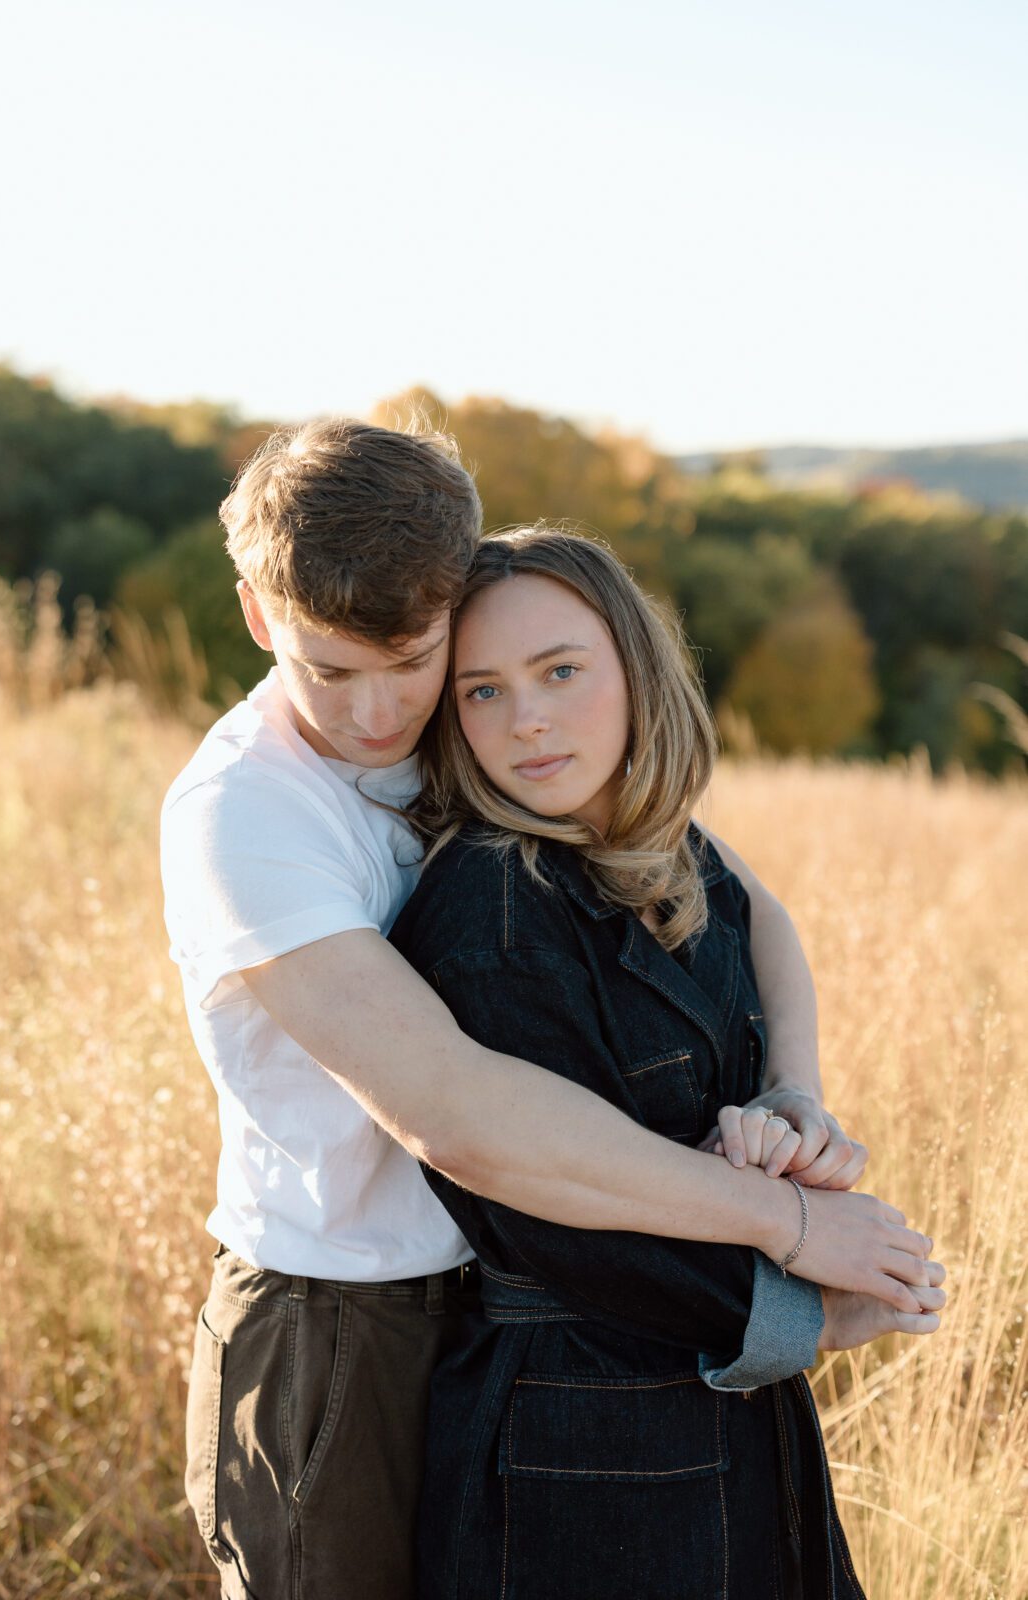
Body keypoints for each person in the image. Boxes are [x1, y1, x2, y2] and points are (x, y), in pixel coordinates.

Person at [161, 421, 941, 1600]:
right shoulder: (248, 813)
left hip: (501, 1296)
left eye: (412, 660)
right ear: (261, 619)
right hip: (343, 1321)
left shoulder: (475, 718)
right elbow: (461, 1116)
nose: (376, 713)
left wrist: (792, 1089)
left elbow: (734, 890)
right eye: (329, 670)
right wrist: (783, 1231)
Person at [389, 526, 946, 1599]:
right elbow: (548, 1211)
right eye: (483, 692)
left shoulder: (665, 852)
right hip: (574, 1439)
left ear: (634, 667)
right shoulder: (493, 903)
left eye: (559, 671)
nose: (528, 719)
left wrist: (787, 1110)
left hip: (720, 1406)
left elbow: (761, 934)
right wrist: (806, 1310)